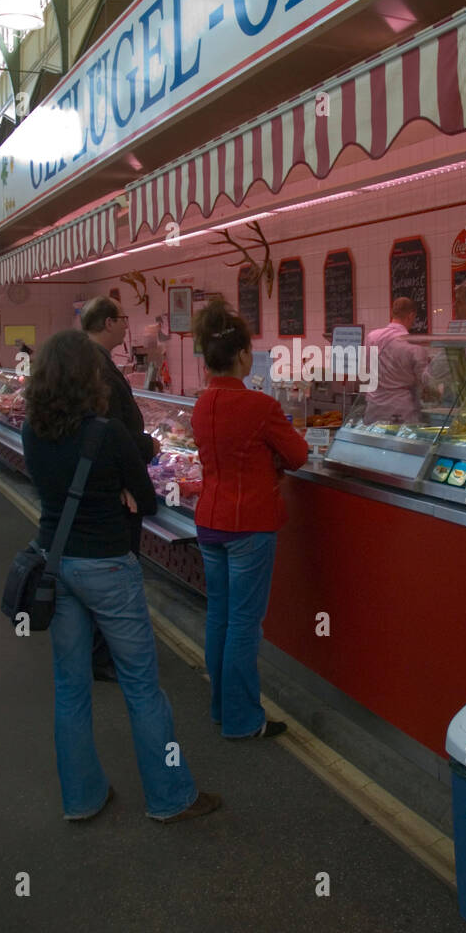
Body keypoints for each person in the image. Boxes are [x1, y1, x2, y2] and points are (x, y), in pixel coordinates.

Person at [22, 329, 220, 823]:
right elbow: (147, 500)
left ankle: (82, 799)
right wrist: (121, 495)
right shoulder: (106, 432)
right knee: (141, 686)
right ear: (89, 378)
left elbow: (50, 490)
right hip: (108, 564)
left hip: (55, 560)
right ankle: (172, 797)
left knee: (69, 688)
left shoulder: (31, 428)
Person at [192, 299, 309, 740]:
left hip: (209, 523)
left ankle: (223, 708)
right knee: (244, 624)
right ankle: (243, 720)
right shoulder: (260, 406)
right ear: (243, 356)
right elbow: (298, 456)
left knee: (219, 617)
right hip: (250, 526)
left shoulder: (203, 404)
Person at [80, 296, 158, 682]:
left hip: (106, 486)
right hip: (115, 490)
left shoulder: (89, 362)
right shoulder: (99, 367)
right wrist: (144, 452)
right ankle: (106, 655)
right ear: (109, 322)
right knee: (118, 573)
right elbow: (113, 433)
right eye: (123, 319)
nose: (127, 326)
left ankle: (100, 650)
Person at [363, 297, 432, 425]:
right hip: (400, 409)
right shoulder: (413, 345)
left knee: (373, 442)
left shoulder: (372, 337)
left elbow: (366, 369)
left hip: (374, 406)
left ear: (392, 313)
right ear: (411, 315)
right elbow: (425, 380)